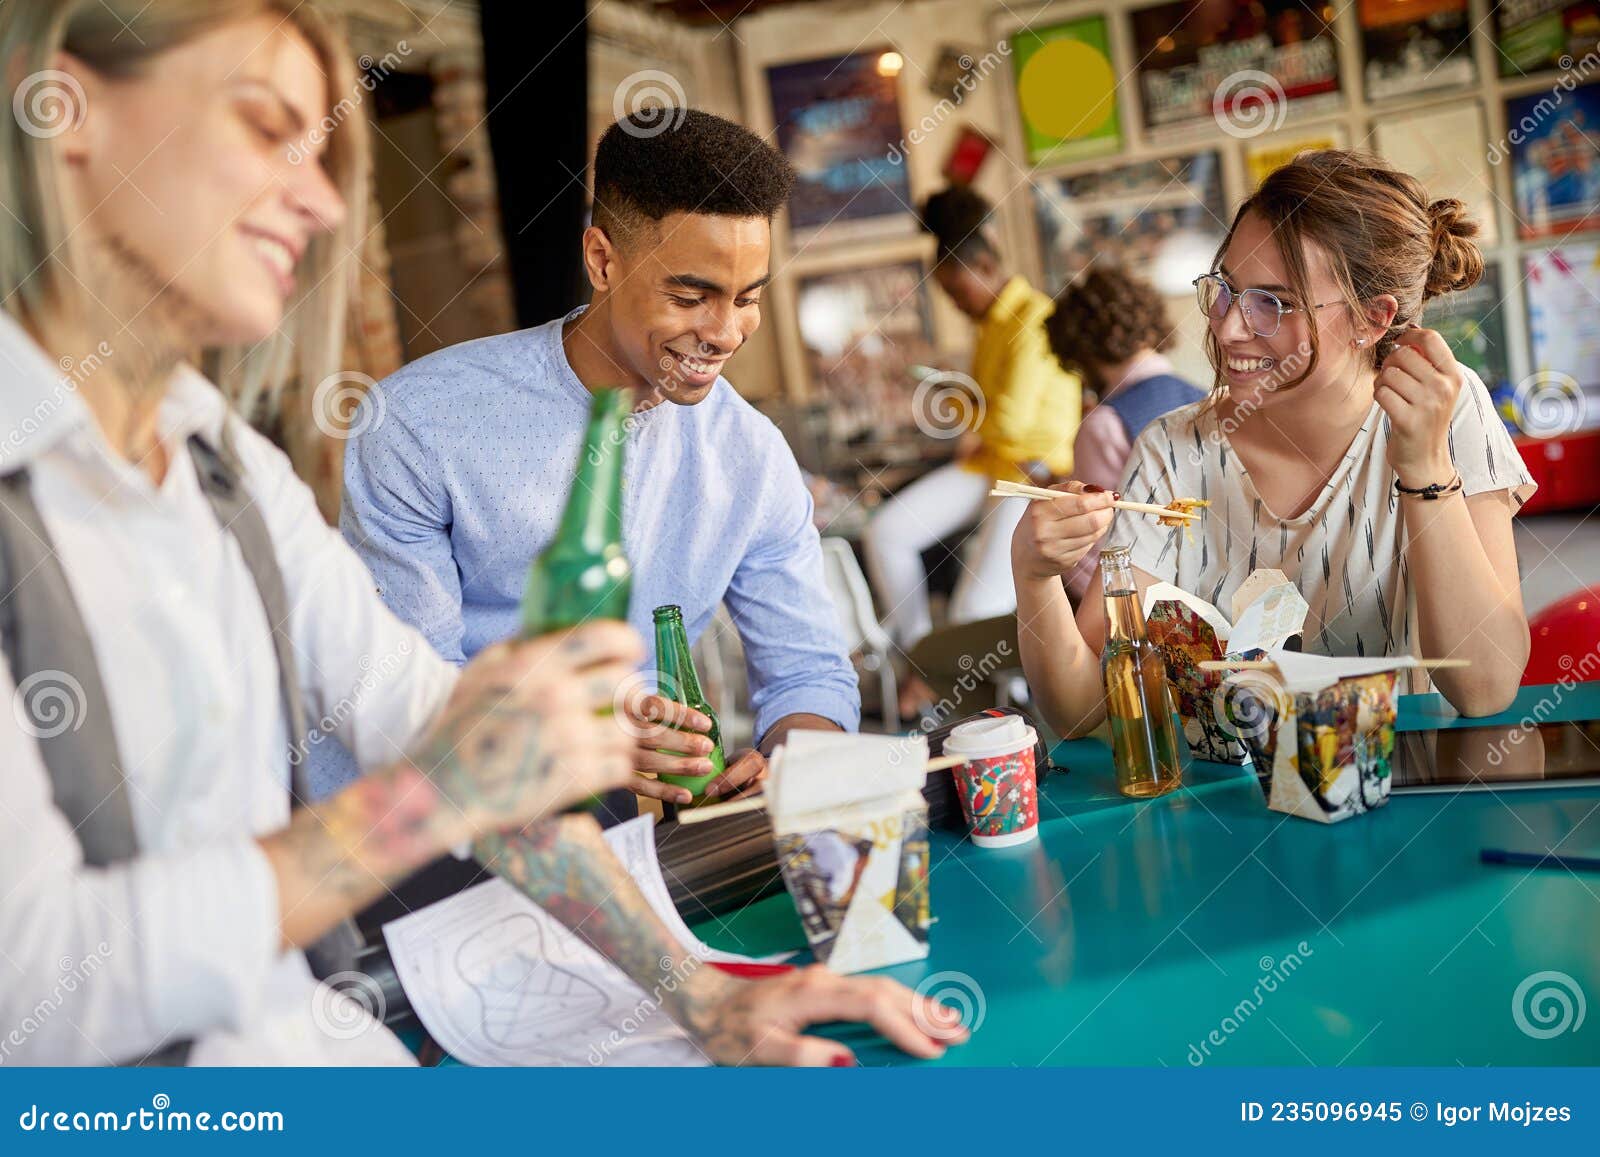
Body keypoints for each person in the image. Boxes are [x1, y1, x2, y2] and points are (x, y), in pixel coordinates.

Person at [0, 0, 966, 1067]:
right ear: (66, 108)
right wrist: (476, 772)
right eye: (266, 126)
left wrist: (703, 996)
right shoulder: (408, 421)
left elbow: (439, 724)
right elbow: (29, 991)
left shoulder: (230, 466)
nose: (320, 201)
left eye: (324, 155)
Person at [330, 109, 858, 813]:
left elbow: (809, 670)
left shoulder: (751, 454)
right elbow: (408, 690)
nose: (726, 332)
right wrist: (587, 739)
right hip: (414, 828)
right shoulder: (419, 423)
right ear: (602, 259)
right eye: (689, 296)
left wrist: (792, 759)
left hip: (609, 819)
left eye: (747, 298)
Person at [1012, 149, 1534, 740]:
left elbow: (1487, 687)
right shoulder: (1172, 450)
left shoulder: (1444, 408)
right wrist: (1033, 575)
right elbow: (1080, 710)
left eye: (1273, 303)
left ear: (1371, 318)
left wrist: (1424, 468)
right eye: (1227, 290)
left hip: (1404, 790)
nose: (1229, 327)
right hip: (1234, 812)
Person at [862, 187, 1081, 674]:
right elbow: (988, 411)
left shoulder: (1036, 318)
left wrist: (967, 413)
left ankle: (1008, 695)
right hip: (988, 467)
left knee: (971, 614)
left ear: (984, 269)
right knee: (886, 532)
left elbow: (1008, 421)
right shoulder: (989, 326)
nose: (958, 307)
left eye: (958, 295)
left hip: (1033, 478)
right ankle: (927, 662)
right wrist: (947, 392)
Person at [1042, 267, 1205, 601]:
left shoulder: (1104, 424)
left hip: (1123, 605)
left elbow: (1091, 553)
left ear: (1081, 353)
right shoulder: (1206, 398)